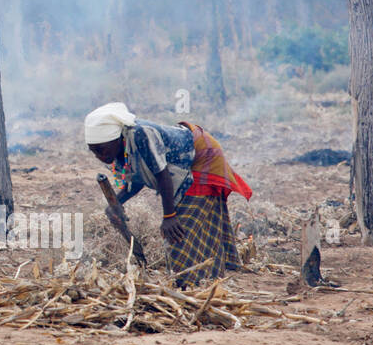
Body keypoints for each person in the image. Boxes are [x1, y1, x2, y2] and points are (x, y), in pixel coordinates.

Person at [84, 101, 253, 287]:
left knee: (178, 232)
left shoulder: (140, 135)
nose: (100, 156)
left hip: (201, 157)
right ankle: (205, 281)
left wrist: (169, 215)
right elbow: (139, 177)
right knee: (185, 230)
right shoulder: (120, 147)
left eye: (101, 149)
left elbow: (161, 174)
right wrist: (115, 204)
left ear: (116, 138)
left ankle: (192, 285)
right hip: (182, 167)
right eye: (94, 152)